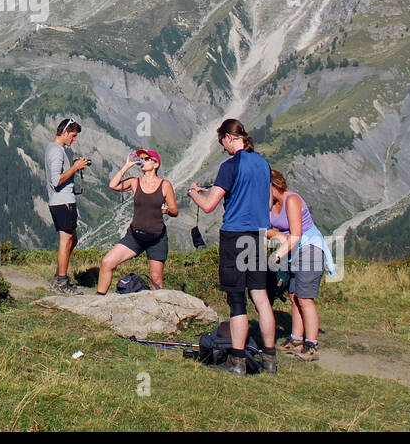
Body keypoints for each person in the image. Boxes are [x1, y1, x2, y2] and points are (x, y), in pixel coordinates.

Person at [188, 119, 277, 376]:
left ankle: (238, 361)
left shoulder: (230, 166)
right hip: (257, 234)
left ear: (229, 137)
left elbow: (208, 206)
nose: (223, 148)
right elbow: (265, 199)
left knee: (237, 300)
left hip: (235, 234)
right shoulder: (263, 163)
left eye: (222, 143)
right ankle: (269, 358)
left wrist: (194, 192)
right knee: (260, 296)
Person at [267, 169, 335, 362]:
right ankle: (296, 339)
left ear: (273, 185)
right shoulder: (273, 203)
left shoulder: (292, 200)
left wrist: (277, 254)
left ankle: (311, 344)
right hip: (294, 253)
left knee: (305, 299)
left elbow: (295, 234)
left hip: (310, 251)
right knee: (294, 295)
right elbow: (265, 228)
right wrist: (277, 236)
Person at [98, 150, 177, 294]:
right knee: (107, 263)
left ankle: (157, 310)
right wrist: (127, 166)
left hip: (157, 238)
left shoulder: (165, 185)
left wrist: (167, 210)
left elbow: (174, 210)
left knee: (156, 278)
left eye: (147, 159)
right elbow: (113, 185)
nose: (142, 161)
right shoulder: (135, 182)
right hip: (135, 236)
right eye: (141, 158)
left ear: (156, 164)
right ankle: (98, 299)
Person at [45, 118, 90, 293]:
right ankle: (62, 282)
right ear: (64, 132)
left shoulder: (53, 148)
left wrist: (74, 166)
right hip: (63, 201)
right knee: (66, 241)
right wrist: (75, 168)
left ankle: (59, 275)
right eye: (73, 135)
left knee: (73, 239)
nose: (74, 139)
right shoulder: (57, 151)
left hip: (60, 201)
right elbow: (56, 180)